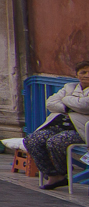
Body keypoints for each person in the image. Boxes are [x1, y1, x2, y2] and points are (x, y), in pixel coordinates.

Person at [25, 58, 89, 190]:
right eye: (83, 72)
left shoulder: (67, 93)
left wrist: (65, 100)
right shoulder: (69, 87)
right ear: (77, 75)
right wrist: (68, 107)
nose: (87, 75)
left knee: (56, 141)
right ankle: (54, 175)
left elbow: (84, 105)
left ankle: (62, 171)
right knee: (33, 140)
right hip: (58, 125)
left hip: (80, 129)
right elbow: (50, 103)